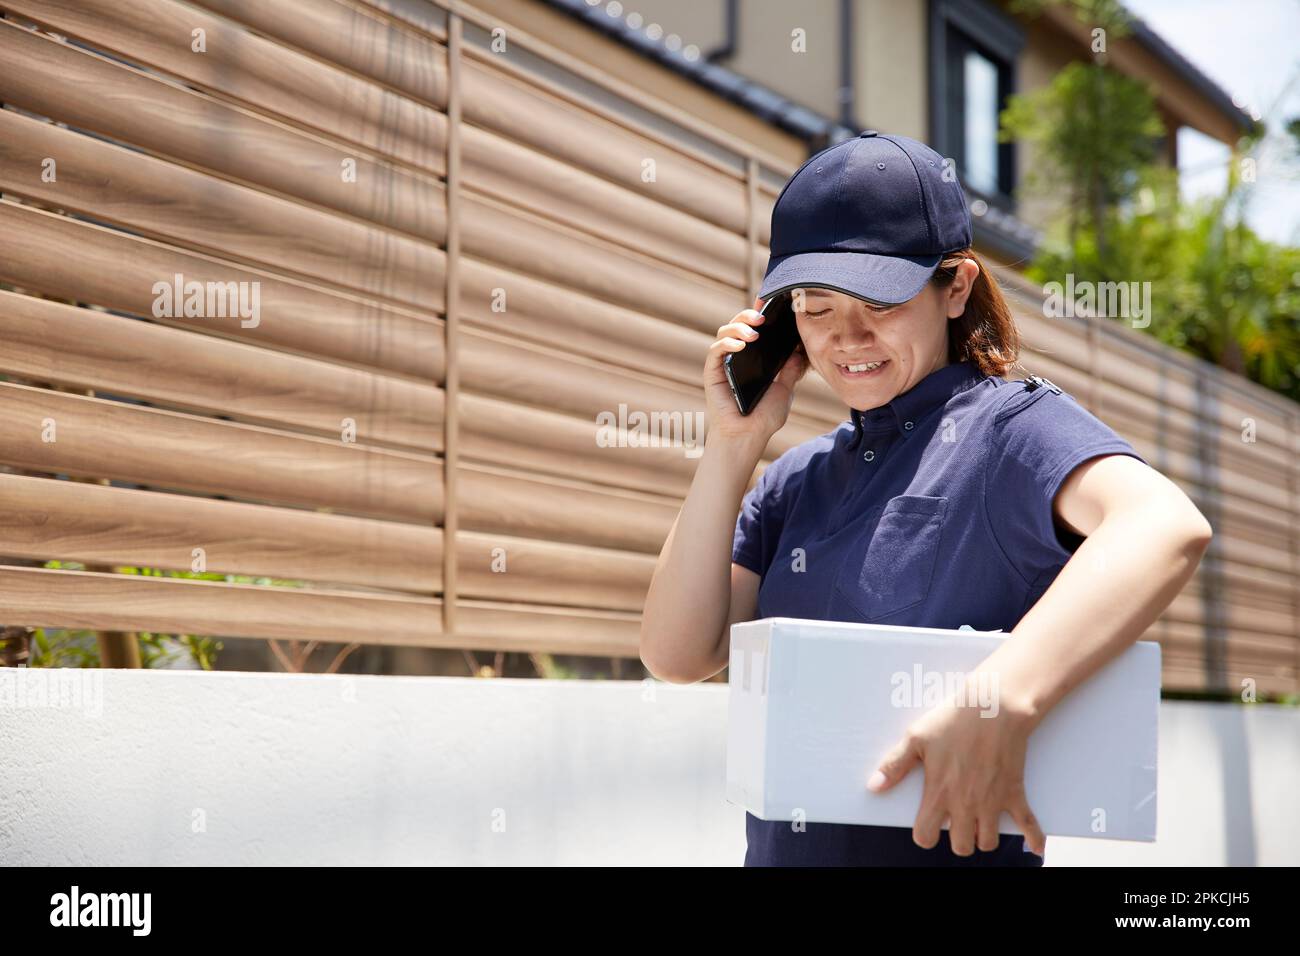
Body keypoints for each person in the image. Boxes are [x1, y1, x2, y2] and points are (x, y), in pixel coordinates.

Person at [639, 131, 1213, 866]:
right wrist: (731, 446)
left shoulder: (1010, 429)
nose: (847, 335)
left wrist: (1000, 701)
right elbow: (678, 655)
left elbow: (1165, 524)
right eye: (814, 307)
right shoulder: (792, 481)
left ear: (956, 288)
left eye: (879, 299)